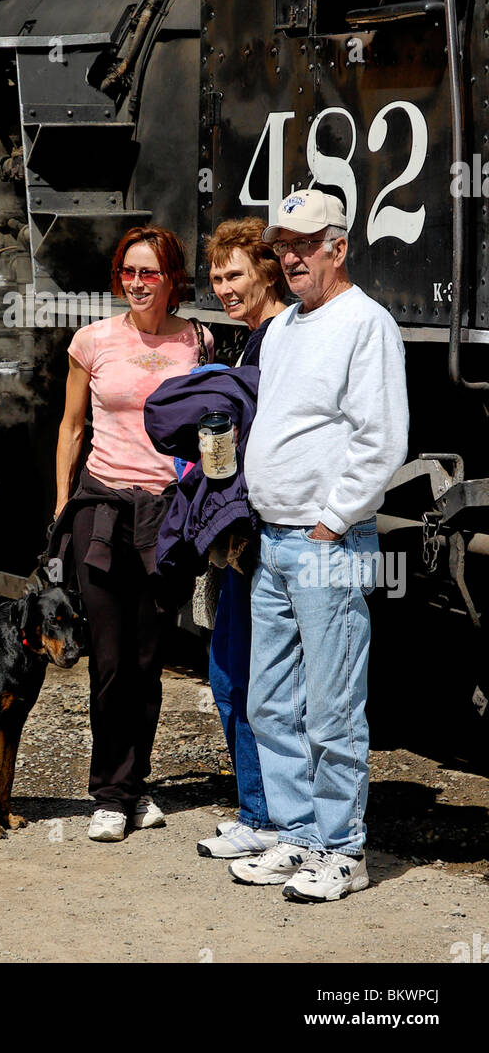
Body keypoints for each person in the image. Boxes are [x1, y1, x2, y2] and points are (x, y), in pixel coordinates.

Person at [231, 188, 408, 901]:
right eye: (283, 244)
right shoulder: (284, 328)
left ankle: (342, 850)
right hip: (274, 542)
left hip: (324, 544)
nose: (291, 256)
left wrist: (332, 520)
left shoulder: (367, 324)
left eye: (306, 243)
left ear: (339, 247)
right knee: (270, 704)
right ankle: (298, 834)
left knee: (332, 708)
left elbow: (382, 439)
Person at [53, 224, 213, 842]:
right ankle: (110, 795)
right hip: (101, 508)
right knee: (111, 660)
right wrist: (62, 507)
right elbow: (70, 428)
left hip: (165, 515)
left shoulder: (197, 341)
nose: (138, 283)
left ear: (172, 279)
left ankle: (135, 785)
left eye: (150, 272)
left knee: (149, 661)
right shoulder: (92, 341)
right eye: (128, 272)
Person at [194, 216, 288, 860]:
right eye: (217, 276)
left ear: (266, 271)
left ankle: (273, 818)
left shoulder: (283, 337)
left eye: (236, 274)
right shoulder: (254, 340)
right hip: (239, 539)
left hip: (264, 539)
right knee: (229, 677)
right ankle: (257, 810)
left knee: (258, 684)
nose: (224, 287)